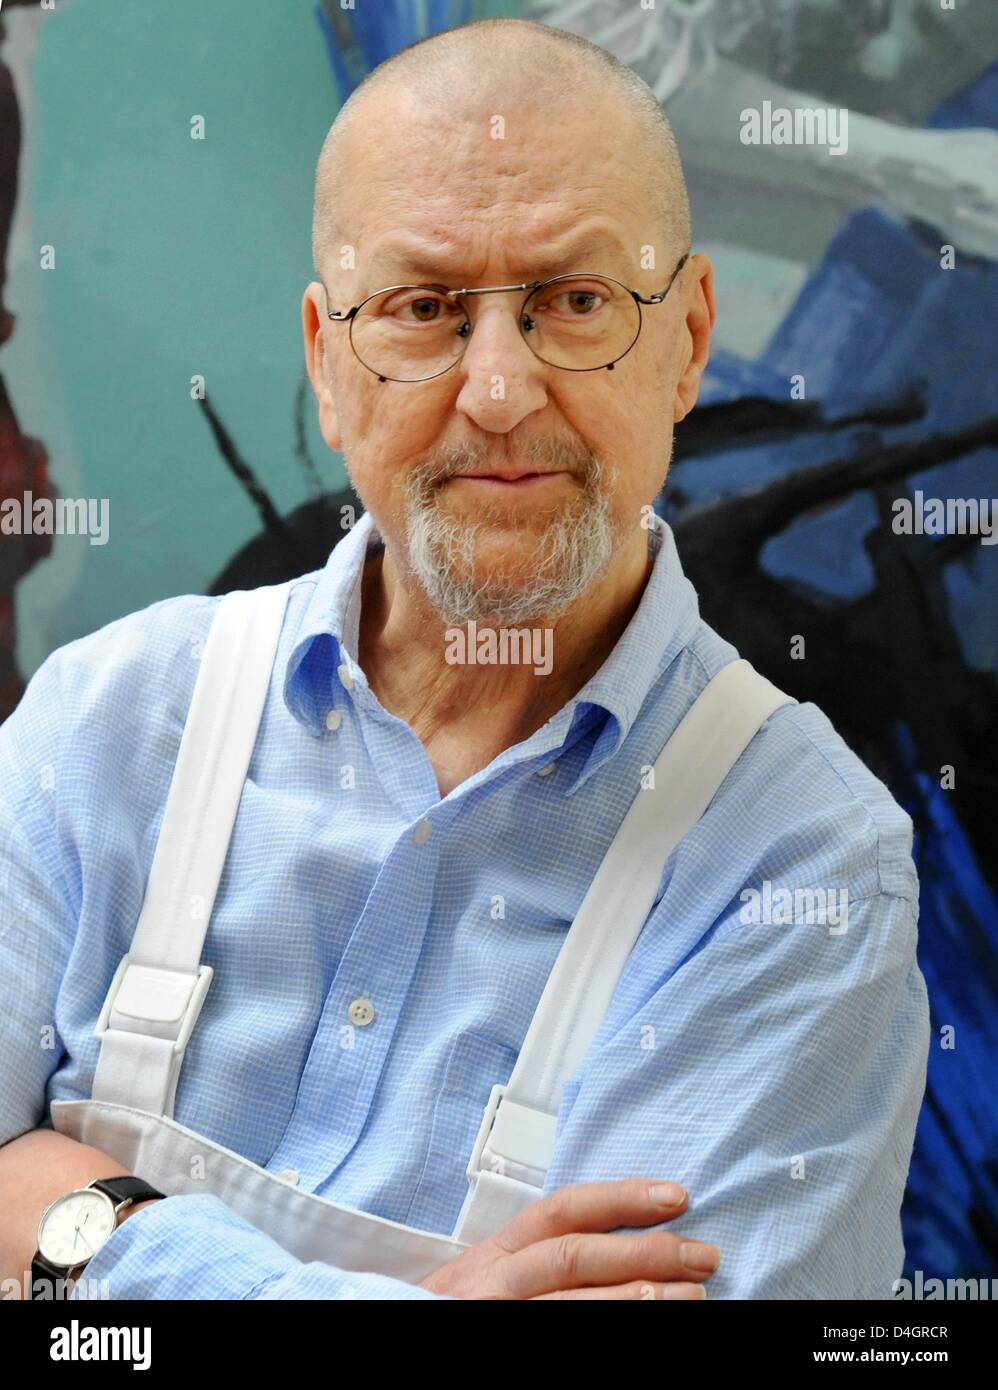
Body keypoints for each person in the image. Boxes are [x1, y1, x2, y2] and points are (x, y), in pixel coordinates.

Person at [0, 16, 929, 1300]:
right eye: (426, 309)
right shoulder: (104, 720)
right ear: (329, 361)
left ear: (689, 340)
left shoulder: (801, 861)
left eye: (574, 301)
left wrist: (71, 1223)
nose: (498, 389)